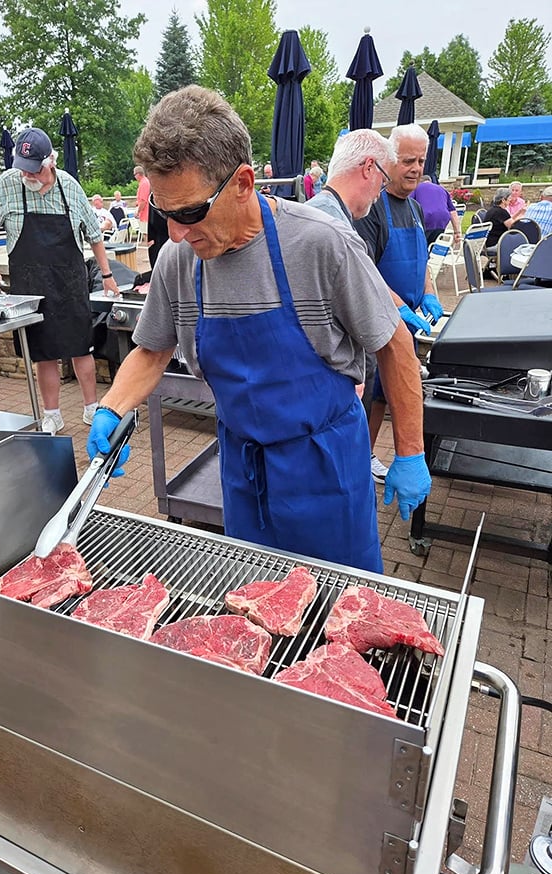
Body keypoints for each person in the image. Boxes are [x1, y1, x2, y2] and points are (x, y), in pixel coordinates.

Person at [87, 85, 430, 574]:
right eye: (166, 215)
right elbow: (151, 350)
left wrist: (410, 451)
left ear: (244, 182)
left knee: (342, 617)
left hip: (325, 468)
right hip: (244, 470)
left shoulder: (320, 243)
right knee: (260, 601)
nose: (178, 233)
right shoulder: (178, 260)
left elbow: (395, 345)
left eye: (189, 213)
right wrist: (112, 407)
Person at [0, 127, 120, 435]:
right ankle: (52, 413)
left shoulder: (69, 187)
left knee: (82, 348)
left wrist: (107, 275)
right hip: (31, 283)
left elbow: (94, 236)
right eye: (24, 169)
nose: (28, 176)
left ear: (50, 161)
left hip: (69, 282)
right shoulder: (7, 185)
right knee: (44, 353)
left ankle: (91, 407)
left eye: (35, 170)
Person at [355, 123, 444, 484]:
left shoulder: (417, 210)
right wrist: (397, 306)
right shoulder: (374, 210)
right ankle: (360, 457)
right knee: (369, 391)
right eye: (408, 160)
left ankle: (369, 453)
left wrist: (430, 293)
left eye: (421, 161)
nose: (416, 168)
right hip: (377, 319)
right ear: (389, 162)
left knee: (384, 396)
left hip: (406, 321)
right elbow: (365, 271)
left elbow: (422, 262)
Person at [307, 129, 397, 479]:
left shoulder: (324, 216)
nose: (380, 193)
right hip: (326, 402)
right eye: (383, 181)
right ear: (368, 167)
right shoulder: (334, 230)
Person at [411, 176, 462, 247]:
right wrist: (457, 232)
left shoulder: (416, 188)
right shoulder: (442, 189)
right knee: (432, 245)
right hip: (442, 221)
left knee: (419, 247)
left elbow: (408, 205)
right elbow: (453, 211)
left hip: (426, 219)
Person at [483, 187, 526, 257]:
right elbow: (513, 227)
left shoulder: (492, 210)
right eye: (509, 198)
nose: (510, 200)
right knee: (521, 246)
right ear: (503, 200)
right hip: (496, 244)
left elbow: (508, 219)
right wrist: (522, 216)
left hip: (488, 243)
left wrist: (519, 212)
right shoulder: (501, 212)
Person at [133, 165, 150, 241]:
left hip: (145, 214)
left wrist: (138, 211)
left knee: (147, 234)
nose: (134, 177)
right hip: (146, 213)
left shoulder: (144, 184)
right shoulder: (146, 182)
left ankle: (150, 251)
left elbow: (143, 201)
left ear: (138, 174)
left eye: (134, 175)